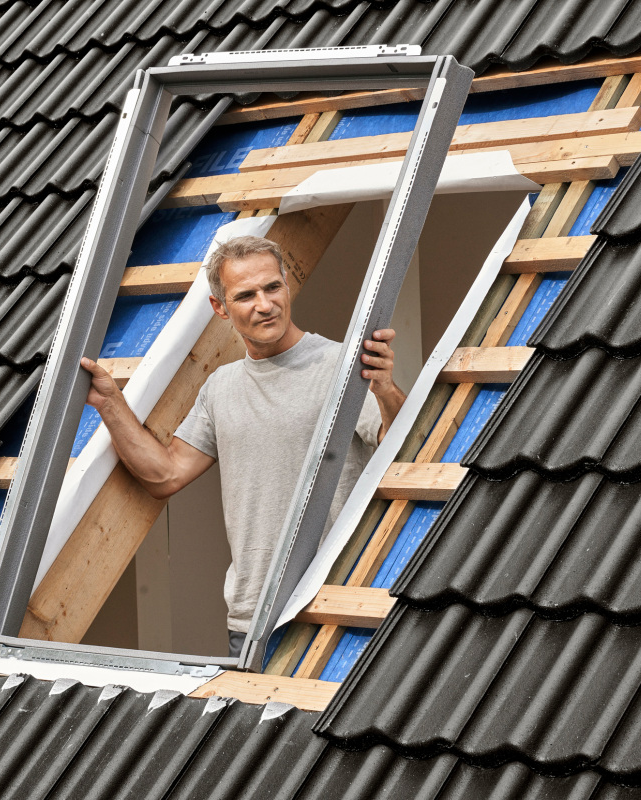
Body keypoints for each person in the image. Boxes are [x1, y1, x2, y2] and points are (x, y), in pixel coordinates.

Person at [80, 235, 406, 658]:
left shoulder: (341, 365)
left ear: (287, 286)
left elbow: (399, 451)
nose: (265, 304)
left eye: (272, 287)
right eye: (246, 295)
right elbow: (166, 474)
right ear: (221, 308)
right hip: (252, 619)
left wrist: (384, 389)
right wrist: (109, 403)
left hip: (337, 605)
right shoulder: (221, 387)